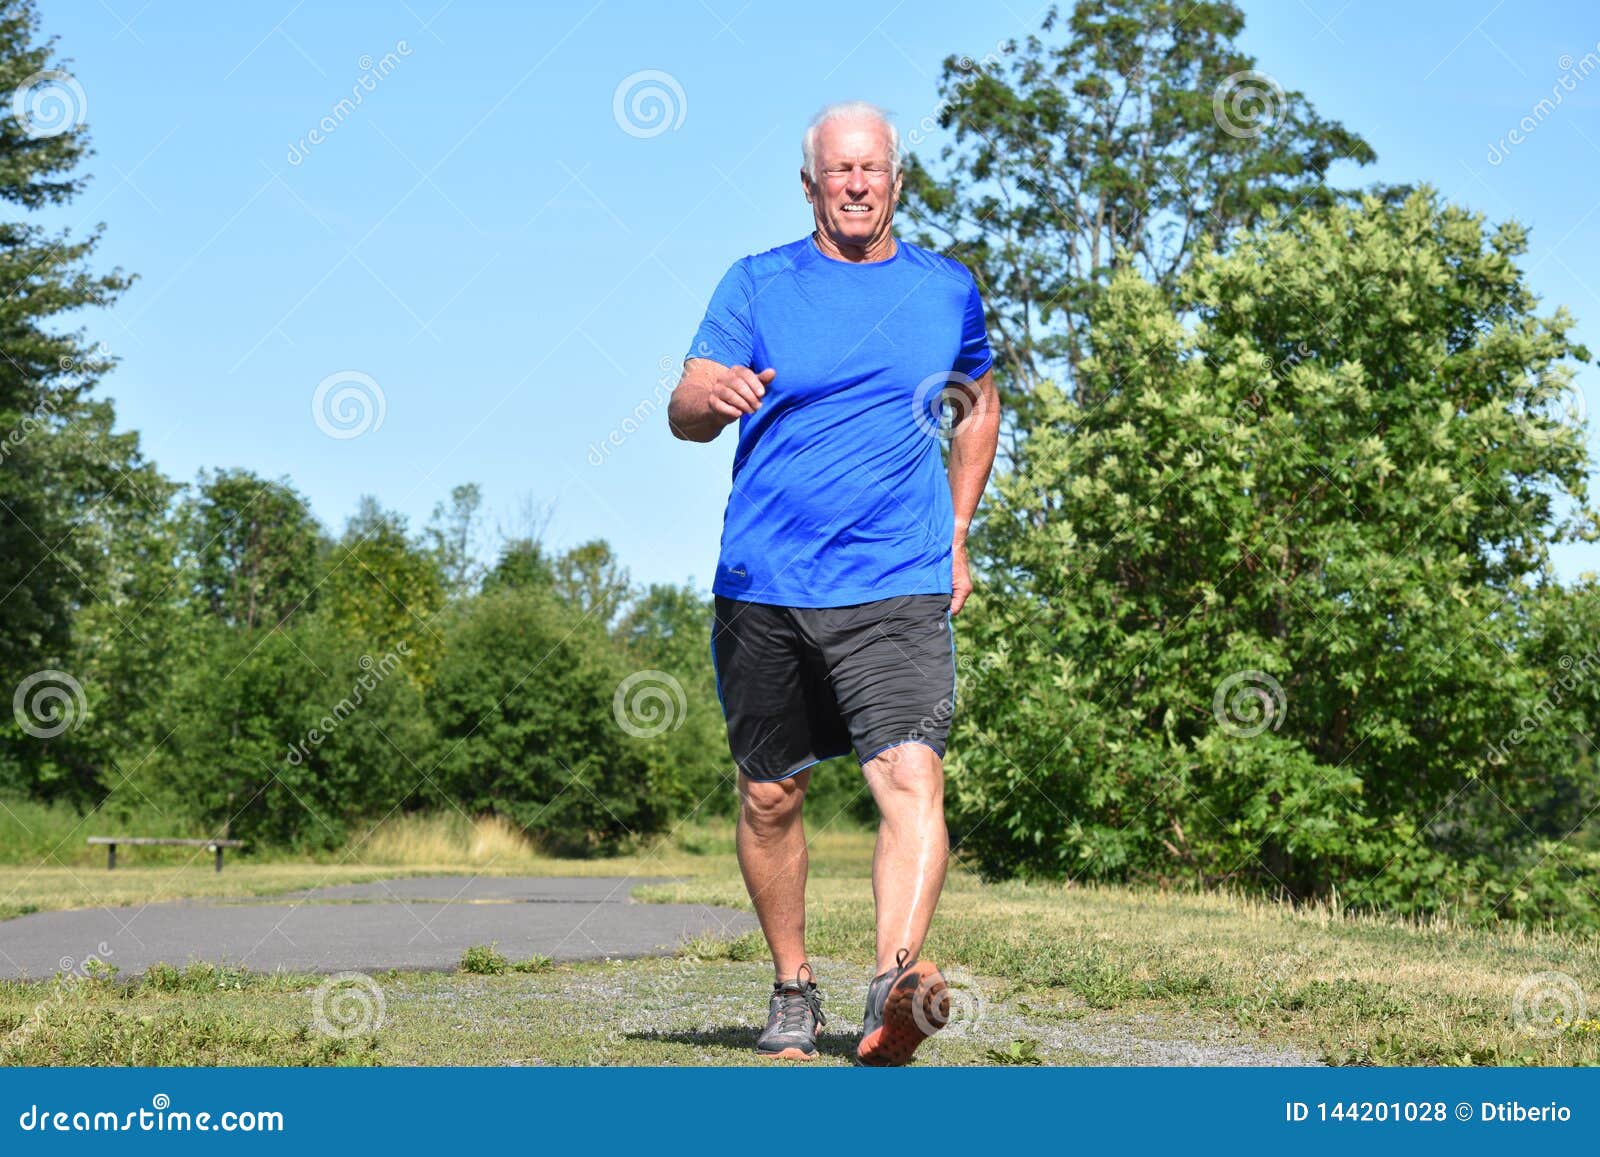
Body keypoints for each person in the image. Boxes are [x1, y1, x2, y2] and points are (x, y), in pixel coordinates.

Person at [667, 100, 1000, 1066]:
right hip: (765, 578)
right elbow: (685, 403)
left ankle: (894, 984)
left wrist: (959, 528)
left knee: (910, 773)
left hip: (895, 576)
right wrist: (709, 396)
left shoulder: (946, 291)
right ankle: (793, 984)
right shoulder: (758, 283)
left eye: (873, 169)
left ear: (897, 178)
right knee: (771, 794)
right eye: (838, 172)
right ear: (809, 183)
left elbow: (976, 402)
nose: (857, 185)